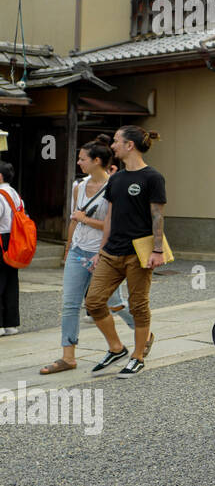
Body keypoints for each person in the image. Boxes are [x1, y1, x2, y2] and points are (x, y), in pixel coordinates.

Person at [40, 136, 135, 375]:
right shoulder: (78, 187)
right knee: (70, 304)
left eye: (83, 158)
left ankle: (143, 333)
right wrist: (68, 247)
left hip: (103, 254)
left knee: (114, 304)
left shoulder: (114, 187)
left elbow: (114, 226)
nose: (79, 162)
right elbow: (75, 218)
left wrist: (86, 221)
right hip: (78, 251)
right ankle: (68, 356)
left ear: (97, 161)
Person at [85, 125, 167, 378]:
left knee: (138, 305)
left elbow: (157, 215)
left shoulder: (153, 177)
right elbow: (110, 216)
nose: (113, 145)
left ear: (129, 145)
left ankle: (138, 355)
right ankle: (116, 347)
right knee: (94, 301)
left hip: (139, 252)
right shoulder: (116, 179)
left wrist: (157, 250)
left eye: (117, 141)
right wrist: (100, 250)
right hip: (112, 252)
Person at [0, 161, 23, 334]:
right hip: (14, 238)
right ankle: (10, 322)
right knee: (10, 280)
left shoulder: (0, 194)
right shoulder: (15, 194)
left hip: (1, 237)